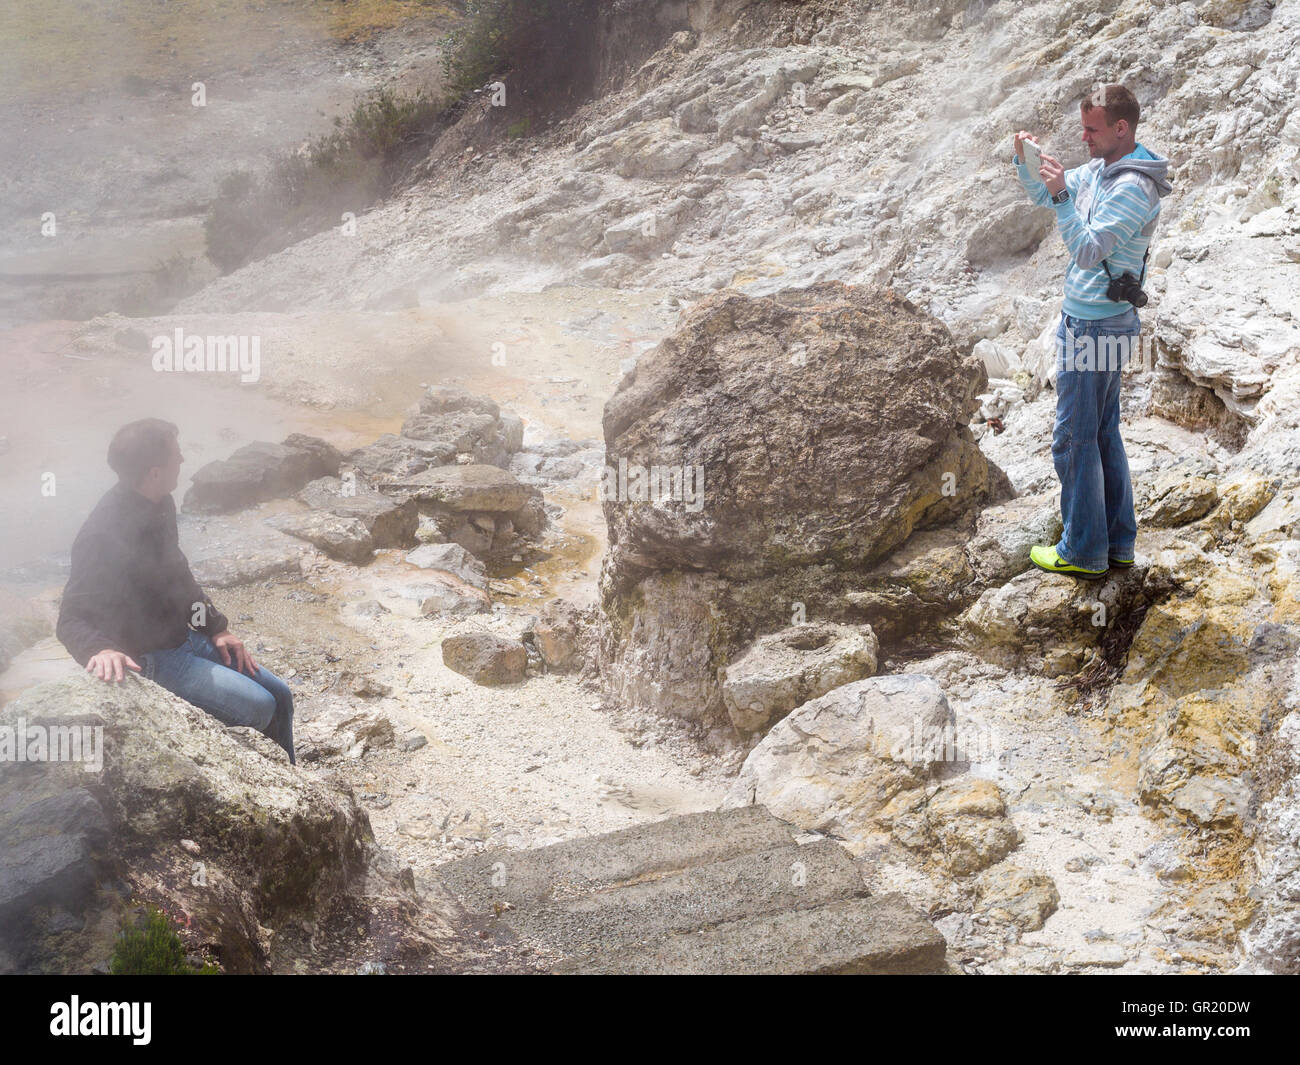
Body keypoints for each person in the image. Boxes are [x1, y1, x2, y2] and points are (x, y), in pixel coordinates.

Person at [55, 418, 296, 763]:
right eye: (176, 455)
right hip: (150, 659)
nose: (183, 460)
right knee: (259, 707)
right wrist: (100, 648)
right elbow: (70, 618)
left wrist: (216, 627)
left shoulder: (160, 503)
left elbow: (178, 578)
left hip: (182, 638)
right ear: (154, 472)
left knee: (281, 695)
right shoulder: (101, 534)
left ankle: (293, 778)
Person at [1012, 82, 1173, 579]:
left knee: (1074, 439)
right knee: (1102, 434)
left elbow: (1086, 251)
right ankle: (1117, 543)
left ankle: (1082, 551)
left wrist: (1063, 194)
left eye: (1092, 129)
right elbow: (1044, 193)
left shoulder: (1132, 186)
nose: (1083, 137)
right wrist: (1026, 159)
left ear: (1120, 128)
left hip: (1095, 329)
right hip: (1098, 323)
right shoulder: (1104, 168)